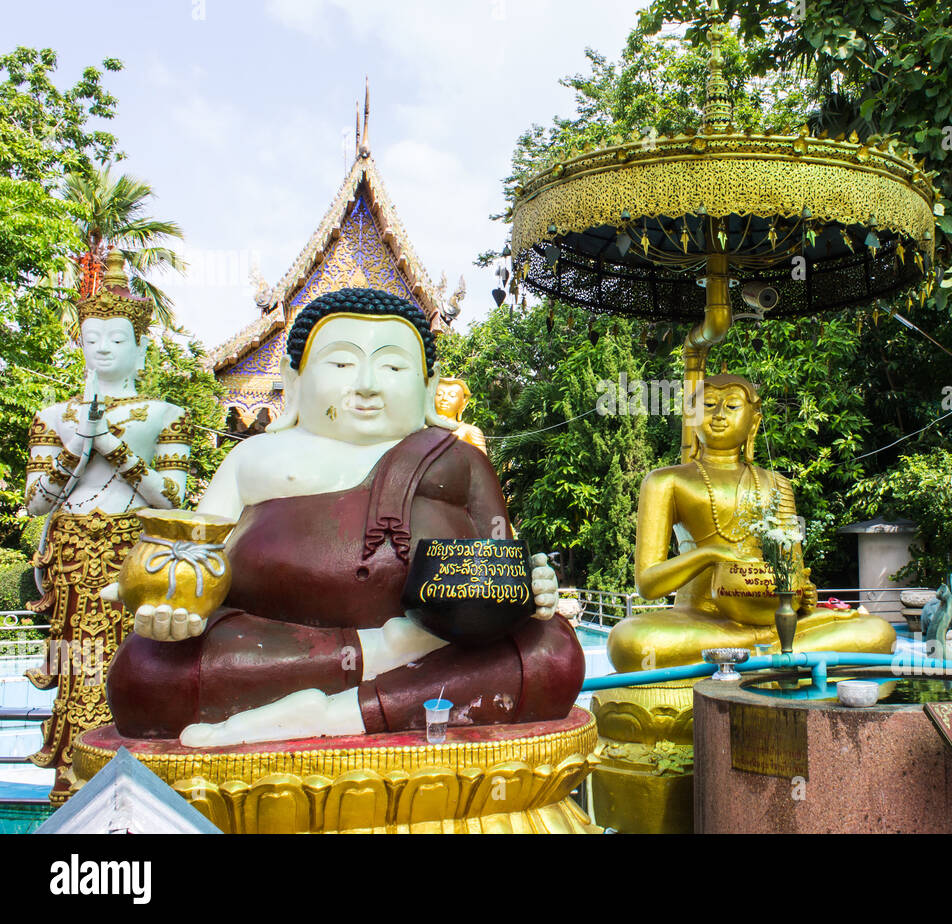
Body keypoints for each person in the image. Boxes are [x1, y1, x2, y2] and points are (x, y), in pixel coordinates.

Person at [105, 288, 582, 745]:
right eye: (341, 363)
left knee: (552, 649)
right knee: (146, 669)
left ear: (428, 387)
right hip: (287, 645)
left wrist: (532, 585)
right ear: (294, 382)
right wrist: (177, 602)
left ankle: (336, 714)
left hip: (440, 642)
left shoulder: (457, 458)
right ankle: (381, 659)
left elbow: (500, 565)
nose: (368, 386)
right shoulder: (255, 458)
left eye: (394, 366)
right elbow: (195, 558)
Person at [23, 249, 189, 800]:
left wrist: (114, 447)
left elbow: (172, 499)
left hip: (134, 550)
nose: (104, 348)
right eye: (93, 338)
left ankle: (140, 780)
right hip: (71, 553)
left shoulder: (165, 415)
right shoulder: (53, 417)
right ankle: (75, 781)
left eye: (117, 339)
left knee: (139, 658)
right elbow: (35, 504)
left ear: (140, 347)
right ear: (80, 342)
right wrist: (77, 447)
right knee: (78, 665)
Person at [608, 374, 894, 672]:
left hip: (773, 619)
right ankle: (771, 658)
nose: (718, 415)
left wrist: (805, 593)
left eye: (731, 406)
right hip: (701, 618)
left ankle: (742, 657)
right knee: (631, 642)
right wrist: (711, 554)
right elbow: (648, 584)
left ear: (753, 422)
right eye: (708, 405)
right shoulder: (667, 481)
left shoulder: (776, 484)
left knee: (877, 632)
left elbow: (792, 571)